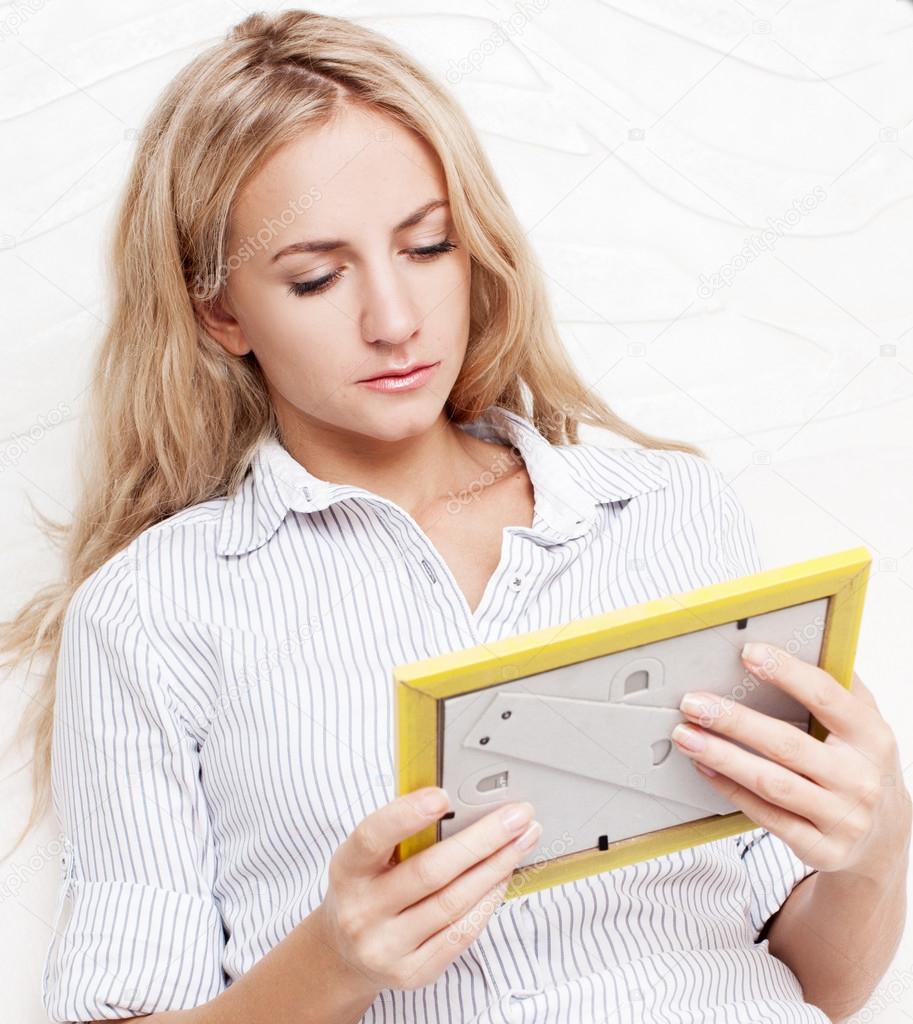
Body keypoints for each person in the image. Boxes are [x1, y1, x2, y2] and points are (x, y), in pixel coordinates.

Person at [1, 10, 907, 1024]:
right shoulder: (152, 608)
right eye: (314, 275)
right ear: (220, 311)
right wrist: (333, 961)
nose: (393, 320)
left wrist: (875, 848)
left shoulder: (666, 513)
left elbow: (819, 984)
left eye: (427, 246)